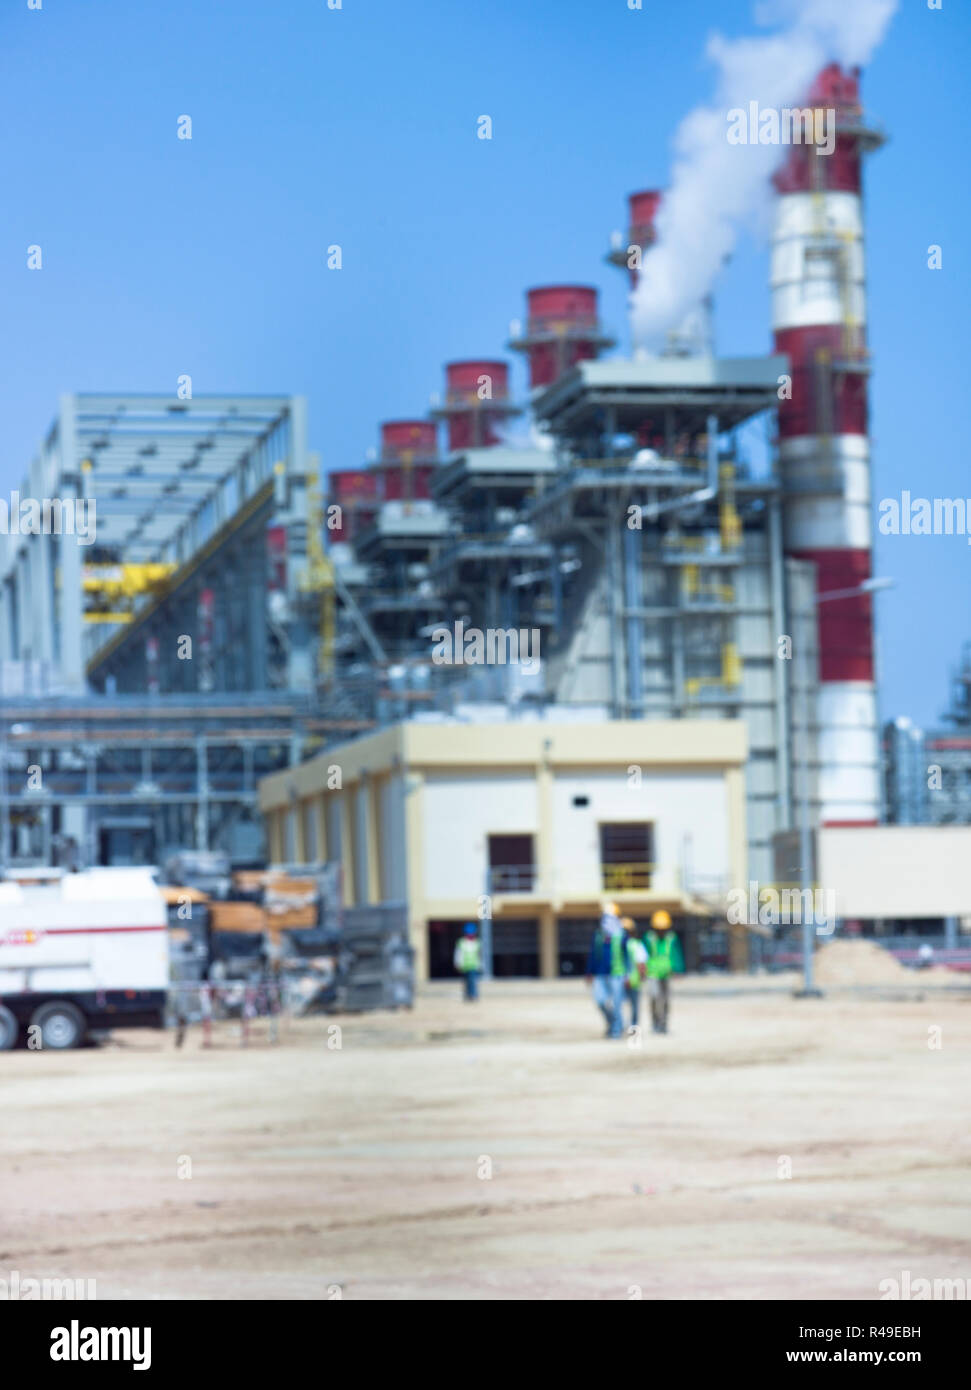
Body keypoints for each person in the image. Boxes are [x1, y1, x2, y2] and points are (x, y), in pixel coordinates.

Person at [585, 903, 631, 1039]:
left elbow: (627, 956)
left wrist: (628, 974)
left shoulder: (622, 935)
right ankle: (612, 1023)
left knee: (617, 1004)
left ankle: (616, 1030)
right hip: (600, 973)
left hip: (617, 974)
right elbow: (593, 954)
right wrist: (589, 972)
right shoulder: (598, 935)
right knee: (600, 1001)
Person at [643, 910, 684, 1034]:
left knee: (665, 1000)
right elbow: (643, 955)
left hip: (666, 974)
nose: (661, 931)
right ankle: (655, 1023)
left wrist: (678, 969)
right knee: (654, 998)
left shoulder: (671, 938)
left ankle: (664, 1024)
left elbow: (676, 954)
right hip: (652, 973)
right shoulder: (649, 938)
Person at [622, 916, 647, 1030]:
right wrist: (642, 977)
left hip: (622, 980)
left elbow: (641, 965)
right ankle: (633, 1029)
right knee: (634, 1007)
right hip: (633, 981)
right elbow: (641, 965)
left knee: (621, 1006)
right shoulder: (636, 944)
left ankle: (622, 1027)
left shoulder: (620, 944)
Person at [453, 922, 482, 1001]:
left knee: (472, 981)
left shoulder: (477, 942)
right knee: (466, 982)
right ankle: (467, 995)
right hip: (464, 966)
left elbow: (479, 955)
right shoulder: (461, 942)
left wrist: (480, 965)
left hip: (473, 966)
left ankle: (473, 995)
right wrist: (457, 963)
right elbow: (458, 954)